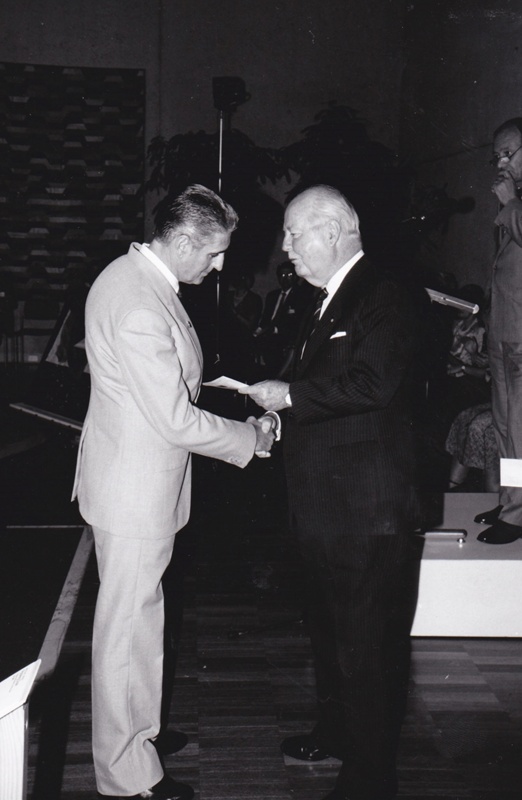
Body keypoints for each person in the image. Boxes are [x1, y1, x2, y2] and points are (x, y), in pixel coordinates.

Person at [72, 185, 275, 800]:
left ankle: (140, 736)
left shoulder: (137, 278)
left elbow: (162, 381)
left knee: (139, 624)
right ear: (183, 241)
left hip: (133, 479)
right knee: (127, 633)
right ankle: (125, 773)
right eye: (214, 253)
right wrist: (250, 437)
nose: (220, 265)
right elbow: (174, 419)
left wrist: (229, 391)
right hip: (133, 489)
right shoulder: (139, 301)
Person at [241, 185, 420, 800]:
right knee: (330, 633)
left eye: (295, 234)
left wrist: (289, 396)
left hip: (366, 508)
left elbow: (374, 384)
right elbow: (322, 383)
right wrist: (278, 414)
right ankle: (337, 733)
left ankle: (370, 776)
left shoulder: (384, 292)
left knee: (366, 646)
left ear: (336, 231)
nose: (285, 248)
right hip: (324, 504)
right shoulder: (323, 299)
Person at [476, 118, 522, 544]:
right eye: (497, 157)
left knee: (520, 430)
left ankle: (518, 513)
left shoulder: (514, 203)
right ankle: (512, 501)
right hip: (504, 333)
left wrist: (510, 205)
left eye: (509, 153)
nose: (501, 163)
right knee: (506, 429)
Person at [254, 260, 313, 376]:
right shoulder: (272, 295)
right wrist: (258, 330)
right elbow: (265, 318)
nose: (285, 278)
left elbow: (299, 322)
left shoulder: (301, 296)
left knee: (273, 354)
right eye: (282, 275)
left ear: (295, 277)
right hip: (267, 334)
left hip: (286, 338)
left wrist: (275, 330)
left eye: (289, 275)